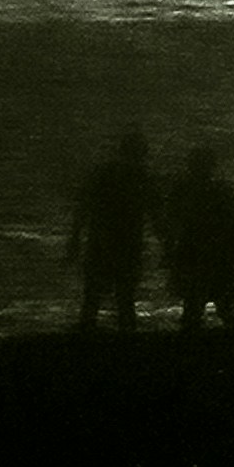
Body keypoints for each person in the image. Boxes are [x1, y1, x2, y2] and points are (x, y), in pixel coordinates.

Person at [70, 129, 157, 332]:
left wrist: (74, 238)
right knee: (125, 298)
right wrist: (168, 244)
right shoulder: (141, 177)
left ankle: (85, 335)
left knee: (93, 297)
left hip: (100, 242)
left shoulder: (104, 173)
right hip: (127, 245)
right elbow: (155, 214)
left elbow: (83, 207)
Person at [163, 146, 234, 331]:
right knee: (226, 309)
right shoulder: (220, 190)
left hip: (195, 254)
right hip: (218, 255)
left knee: (195, 308)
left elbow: (170, 223)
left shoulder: (183, 190)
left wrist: (170, 251)